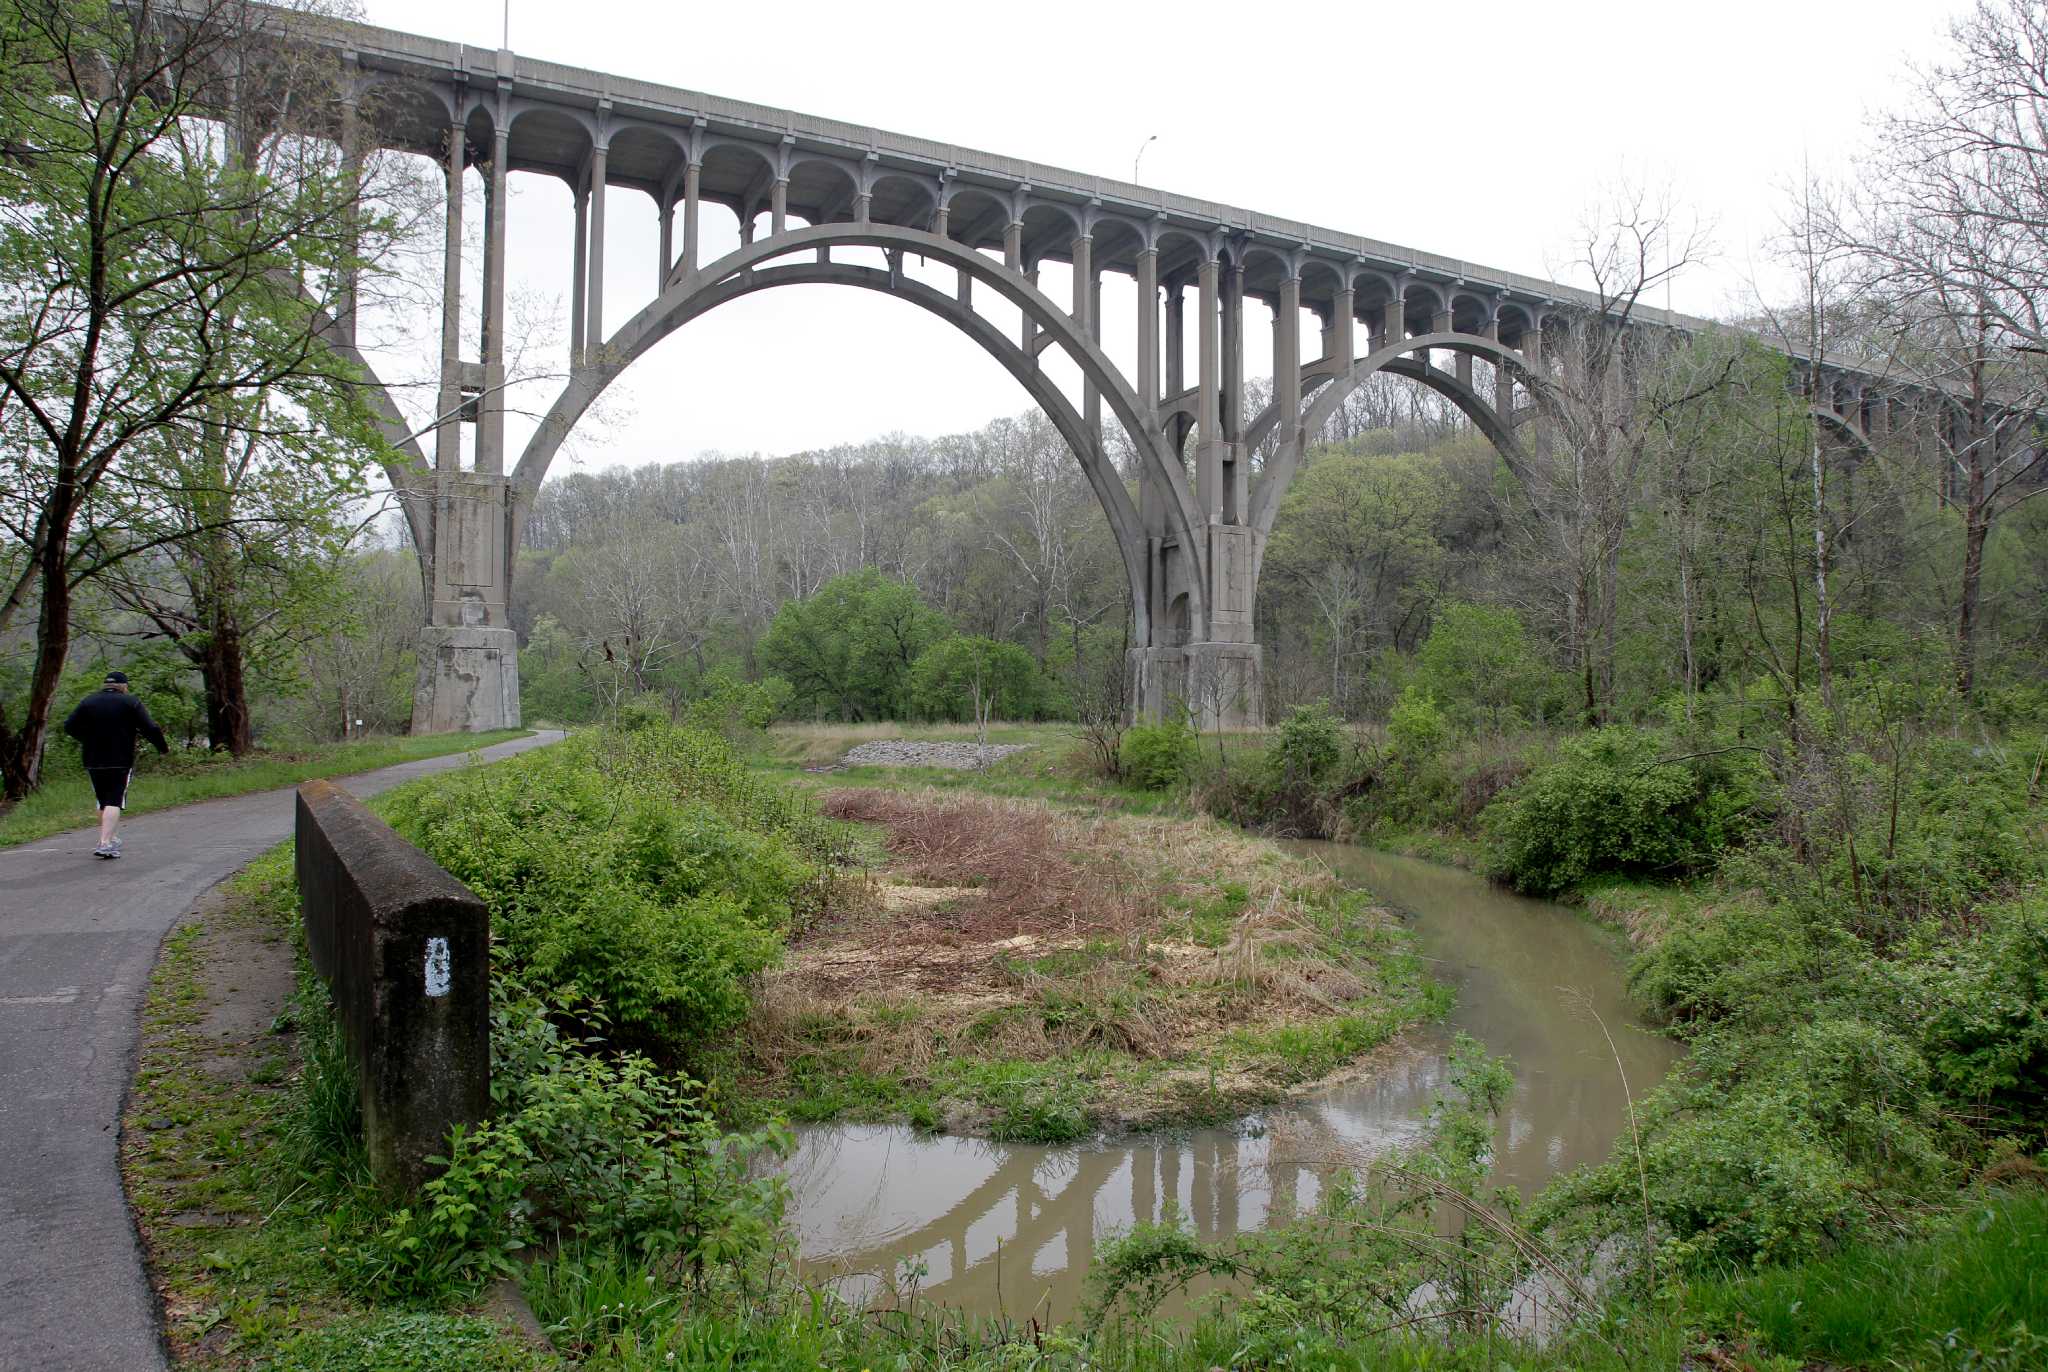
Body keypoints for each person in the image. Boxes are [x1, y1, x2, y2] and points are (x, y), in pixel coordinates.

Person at [62, 671, 169, 860]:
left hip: (93, 759)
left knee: (102, 800)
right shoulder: (130, 702)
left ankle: (110, 837)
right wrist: (162, 748)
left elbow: (69, 725)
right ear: (124, 686)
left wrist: (86, 739)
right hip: (120, 758)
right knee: (115, 800)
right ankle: (104, 843)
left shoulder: (88, 701)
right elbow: (150, 727)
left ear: (105, 685)